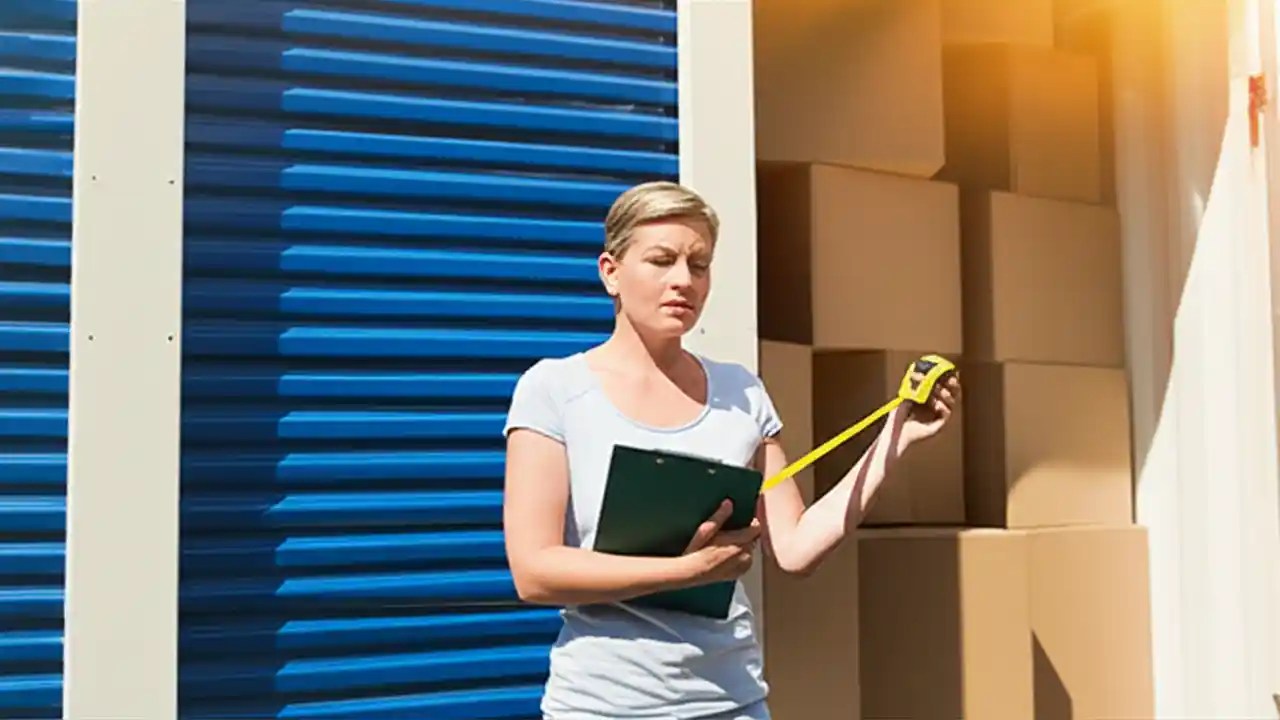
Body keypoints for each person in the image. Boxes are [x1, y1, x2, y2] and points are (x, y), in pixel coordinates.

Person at [501, 180, 960, 719]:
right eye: (662, 260)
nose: (683, 281)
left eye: (699, 265)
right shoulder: (554, 389)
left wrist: (896, 440)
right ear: (610, 272)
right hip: (603, 705)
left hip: (731, 702)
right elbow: (534, 573)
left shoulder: (741, 391)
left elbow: (795, 549)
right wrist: (684, 571)